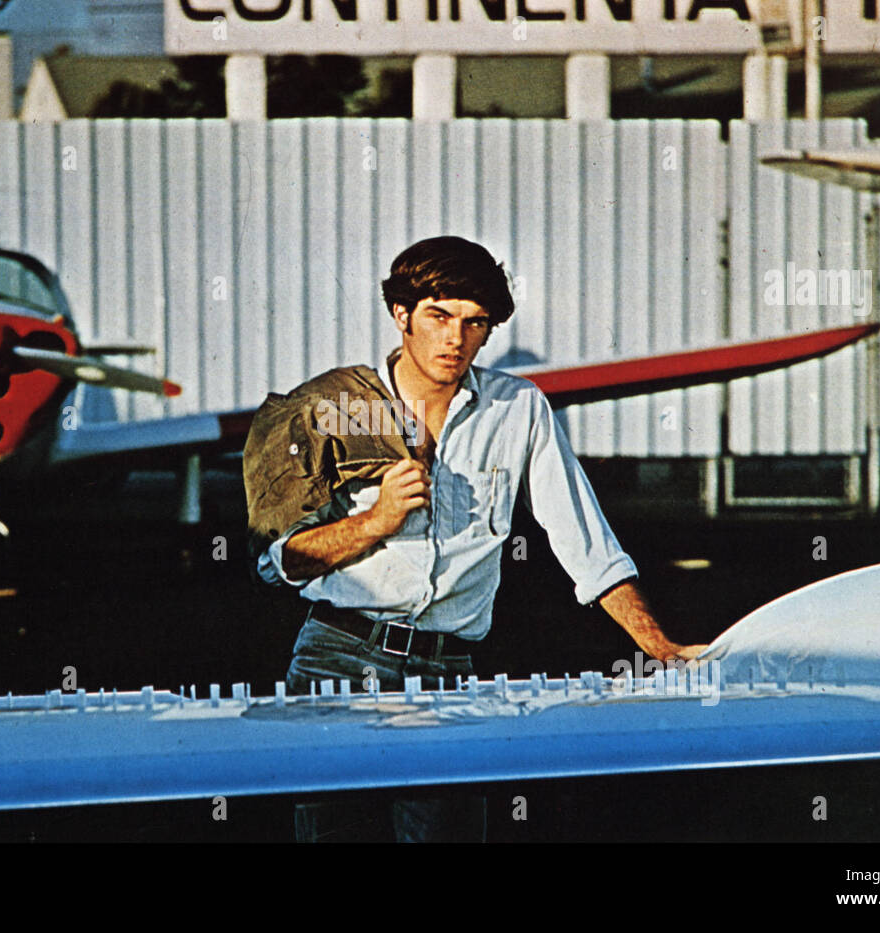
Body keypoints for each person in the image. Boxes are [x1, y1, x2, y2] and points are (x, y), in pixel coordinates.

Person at [243, 236, 705, 842]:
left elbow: (586, 542)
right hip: (339, 658)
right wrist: (376, 521)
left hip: (448, 674)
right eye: (438, 315)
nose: (455, 339)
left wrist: (659, 645)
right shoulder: (334, 407)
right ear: (401, 315)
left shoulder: (518, 410)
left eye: (474, 322)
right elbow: (280, 563)